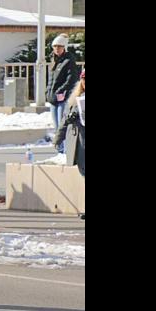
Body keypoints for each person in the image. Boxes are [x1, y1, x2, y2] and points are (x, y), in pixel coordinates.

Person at [48, 33, 81, 151]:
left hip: (63, 97)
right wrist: (48, 93)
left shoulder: (69, 60)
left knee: (63, 125)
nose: (57, 49)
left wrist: (59, 91)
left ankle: (66, 150)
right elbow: (51, 80)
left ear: (64, 47)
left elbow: (71, 79)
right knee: (56, 126)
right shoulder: (54, 60)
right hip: (53, 98)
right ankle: (60, 150)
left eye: (59, 46)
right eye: (55, 46)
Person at [67, 70, 85, 220]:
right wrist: (71, 118)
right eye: (84, 80)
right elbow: (65, 120)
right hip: (81, 143)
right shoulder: (76, 98)